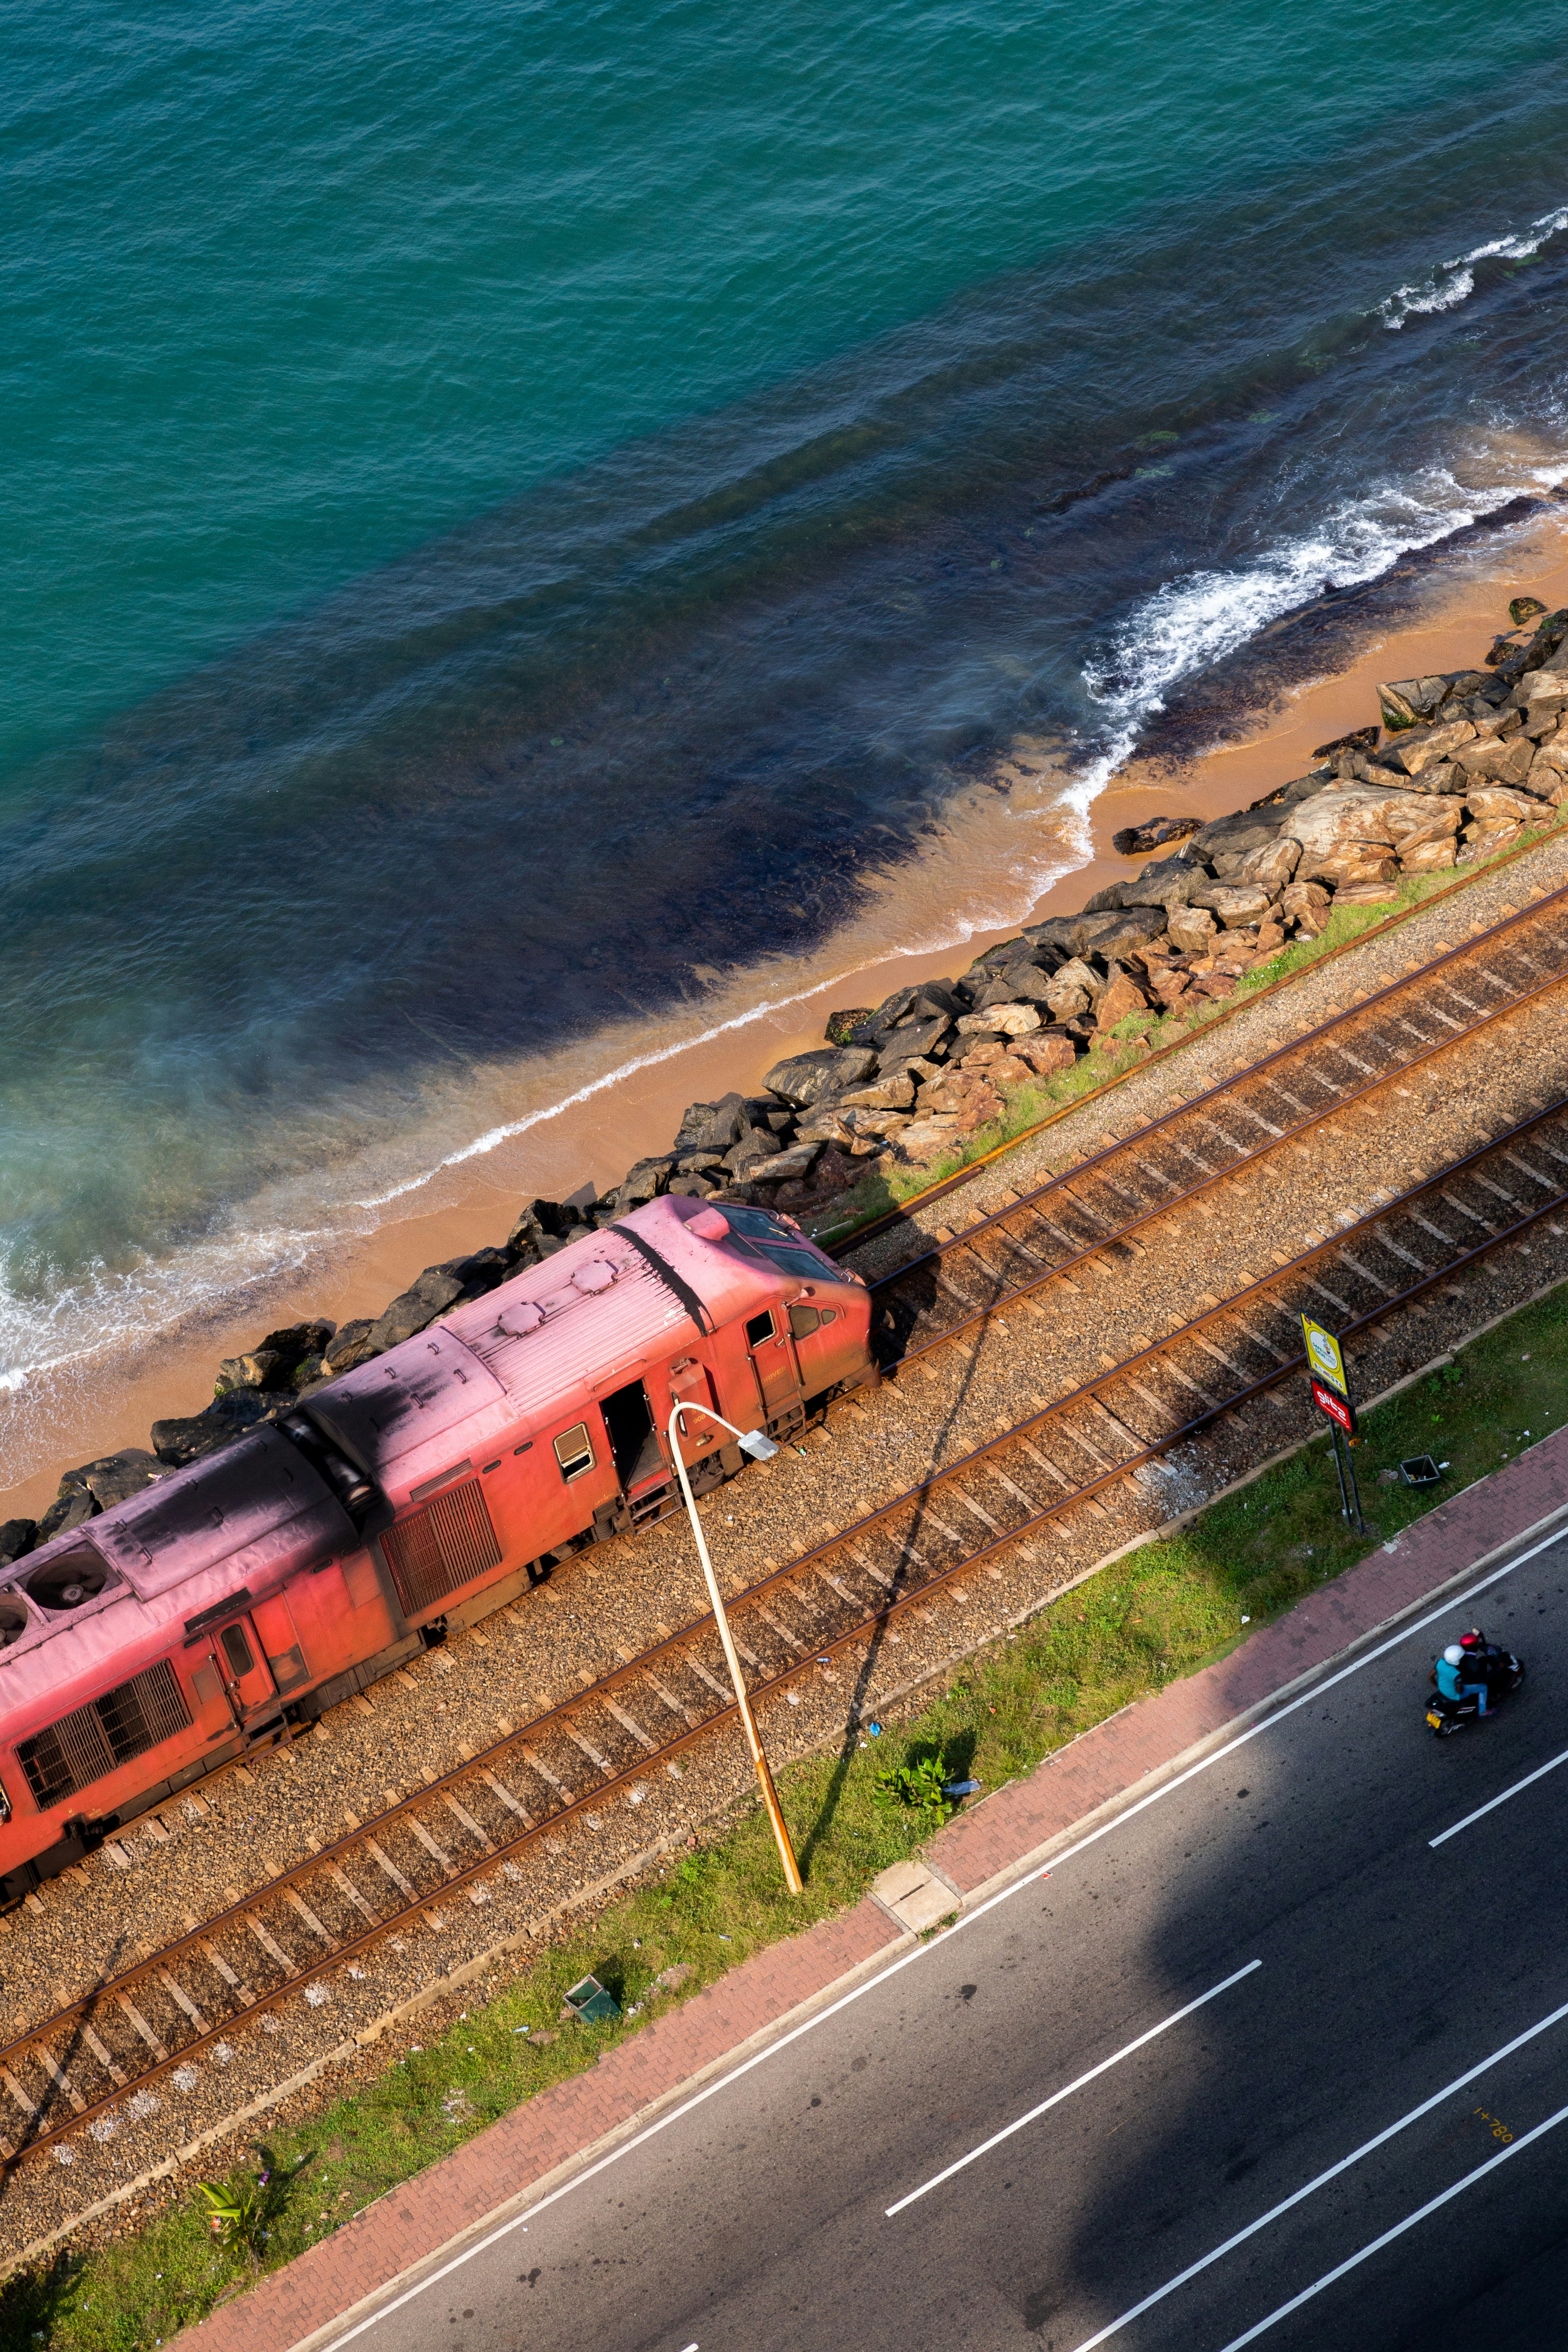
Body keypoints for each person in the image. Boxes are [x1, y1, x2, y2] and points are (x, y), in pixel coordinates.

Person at [1436, 1642, 1487, 1714]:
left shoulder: (1440, 1662)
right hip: (1456, 1696)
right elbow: (1460, 1690)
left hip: (1442, 1688)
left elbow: (1430, 1676)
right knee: (1483, 1687)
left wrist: (1437, 1685)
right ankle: (1482, 1711)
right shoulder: (1457, 1675)